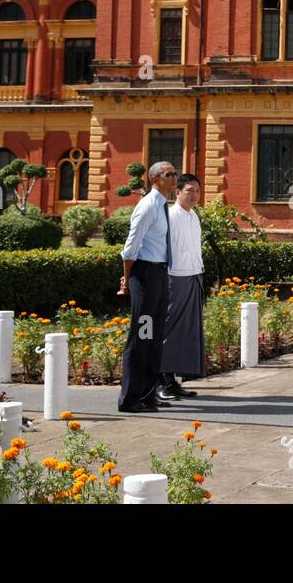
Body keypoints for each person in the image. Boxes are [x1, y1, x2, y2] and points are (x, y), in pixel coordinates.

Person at [117, 162, 177, 412]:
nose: (174, 179)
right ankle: (130, 398)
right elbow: (130, 248)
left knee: (154, 337)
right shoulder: (147, 206)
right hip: (144, 275)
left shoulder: (162, 205)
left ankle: (148, 393)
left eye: (175, 174)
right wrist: (127, 279)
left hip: (159, 274)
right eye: (168, 175)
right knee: (141, 336)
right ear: (154, 179)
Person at [159, 173, 205, 399]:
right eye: (189, 190)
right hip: (174, 277)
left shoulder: (193, 216)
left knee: (185, 332)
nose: (194, 195)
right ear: (177, 192)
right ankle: (162, 383)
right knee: (169, 330)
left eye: (197, 190)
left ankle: (173, 381)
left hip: (193, 275)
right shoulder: (170, 216)